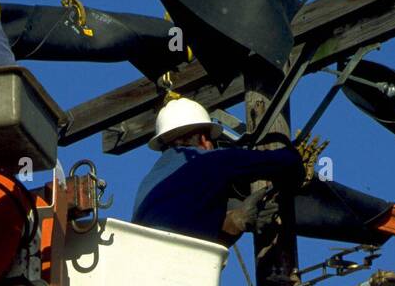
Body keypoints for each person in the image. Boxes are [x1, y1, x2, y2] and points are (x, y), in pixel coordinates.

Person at [131, 96, 307, 244]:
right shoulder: (207, 161)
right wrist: (294, 158)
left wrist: (238, 220)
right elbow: (277, 162)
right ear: (203, 138)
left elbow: (191, 235)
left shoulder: (148, 184)